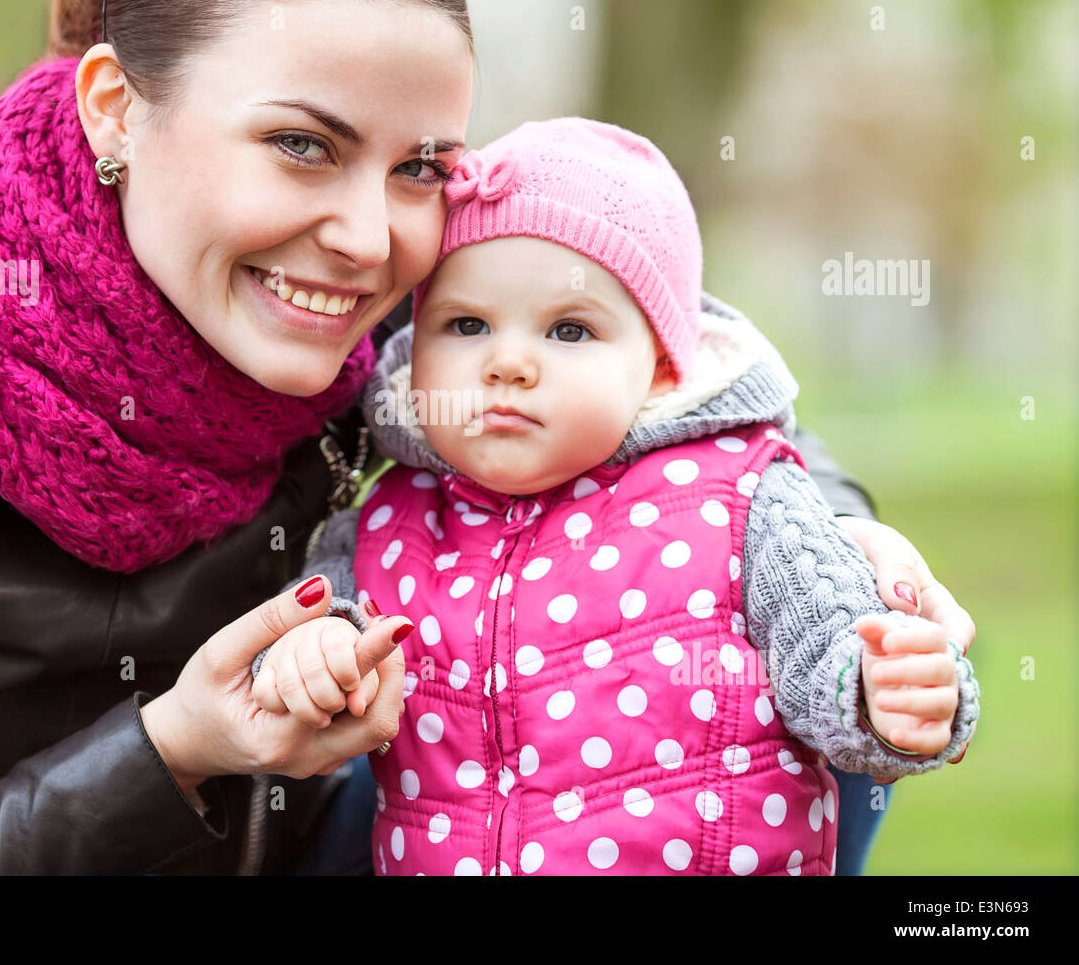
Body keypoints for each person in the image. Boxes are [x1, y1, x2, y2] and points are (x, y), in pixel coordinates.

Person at [0, 0, 970, 876]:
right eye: (302, 146)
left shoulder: (378, 349)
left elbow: (667, 372)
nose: (366, 242)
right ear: (112, 109)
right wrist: (167, 753)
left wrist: (837, 537)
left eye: (420, 169)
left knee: (788, 685)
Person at [250, 118, 979, 875]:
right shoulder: (386, 526)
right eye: (466, 324)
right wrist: (313, 659)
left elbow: (828, 647)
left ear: (664, 365)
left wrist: (887, 694)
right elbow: (307, 647)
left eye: (568, 331)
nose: (508, 363)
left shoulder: (743, 498)